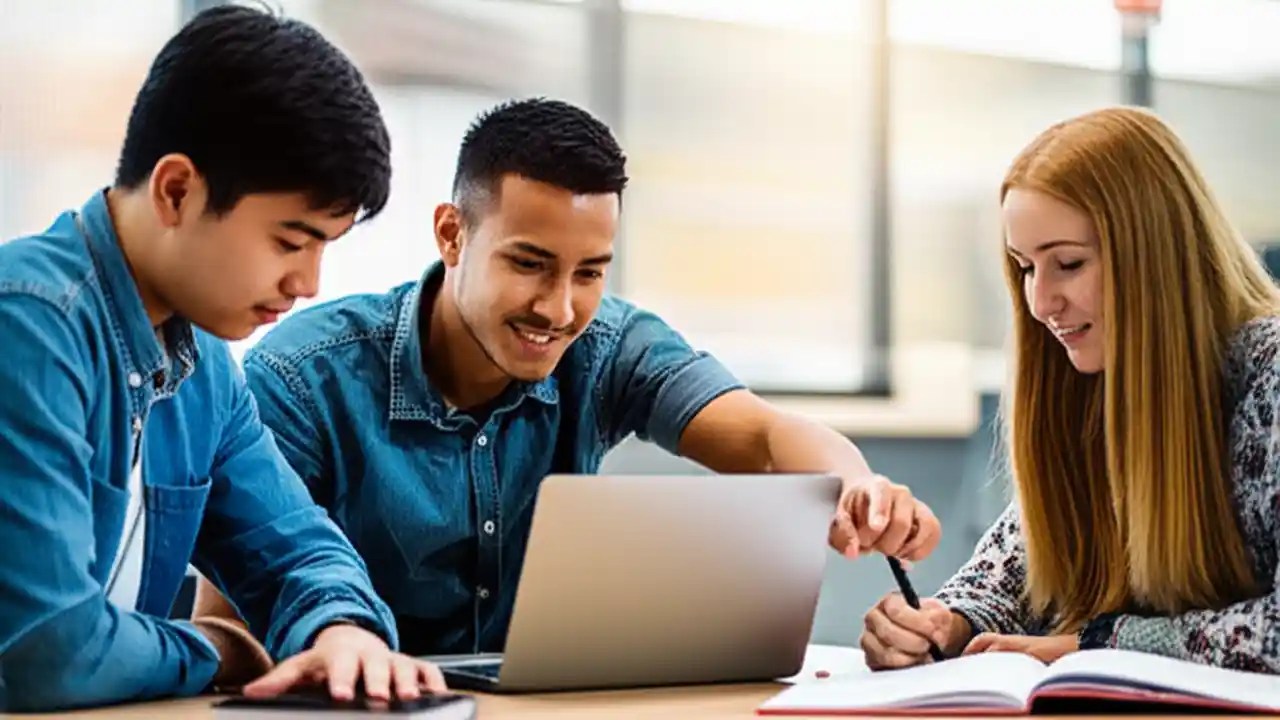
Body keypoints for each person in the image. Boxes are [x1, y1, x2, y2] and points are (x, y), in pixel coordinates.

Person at [193, 97, 942, 664]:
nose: (559, 309)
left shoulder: (610, 343)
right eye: (529, 264)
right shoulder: (302, 375)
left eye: (589, 273)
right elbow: (229, 620)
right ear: (453, 234)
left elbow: (764, 436)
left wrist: (855, 482)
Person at [0, 5, 446, 711]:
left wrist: (342, 632)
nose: (309, 285)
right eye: (290, 242)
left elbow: (298, 548)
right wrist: (218, 647)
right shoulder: (27, 322)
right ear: (177, 190)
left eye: (324, 248)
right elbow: (50, 651)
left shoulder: (204, 365)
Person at [859, 106, 1280, 674]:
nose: (1039, 303)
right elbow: (1010, 575)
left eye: (1068, 263)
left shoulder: (1268, 372)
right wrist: (944, 624)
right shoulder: (1088, 379)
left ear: (1154, 253)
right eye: (1026, 267)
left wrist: (1101, 641)